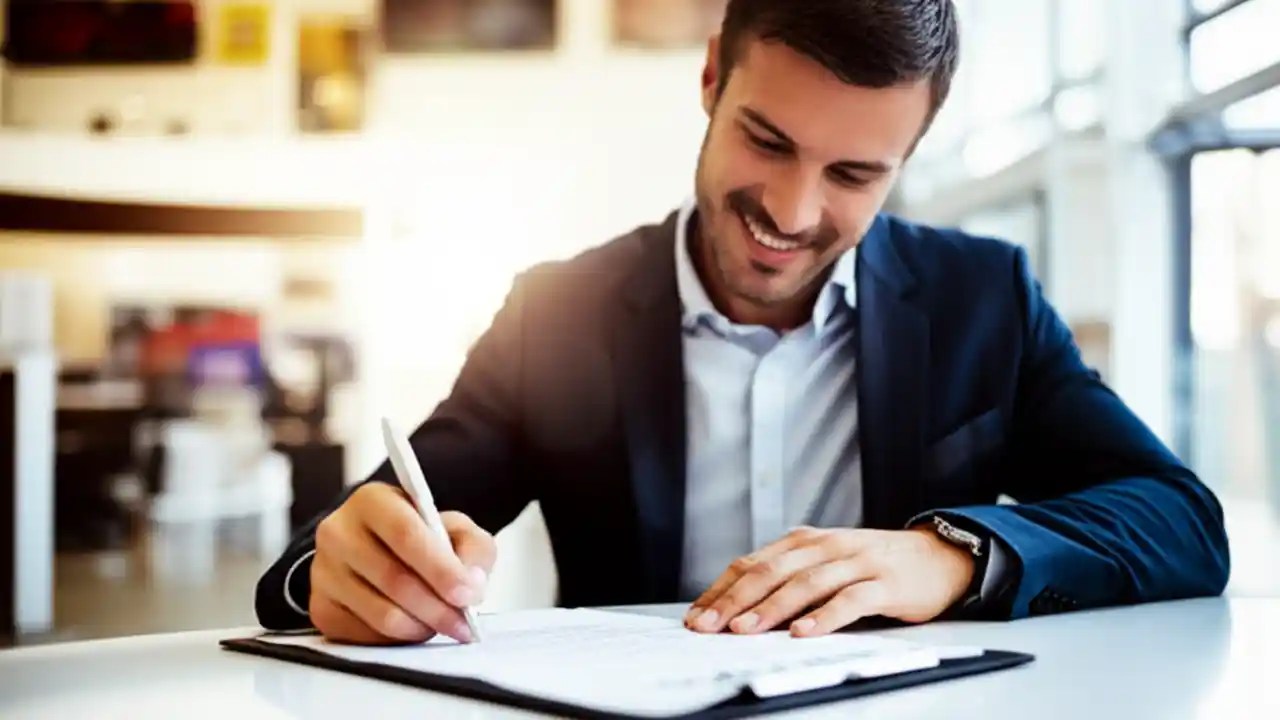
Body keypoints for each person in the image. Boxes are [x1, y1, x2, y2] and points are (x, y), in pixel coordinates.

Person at [255, 0, 1230, 645]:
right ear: (712, 77)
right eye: (767, 141)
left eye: (853, 174)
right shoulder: (554, 316)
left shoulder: (985, 300)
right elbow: (336, 548)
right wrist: (338, 574)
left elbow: (1179, 521)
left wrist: (946, 554)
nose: (794, 215)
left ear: (906, 157)